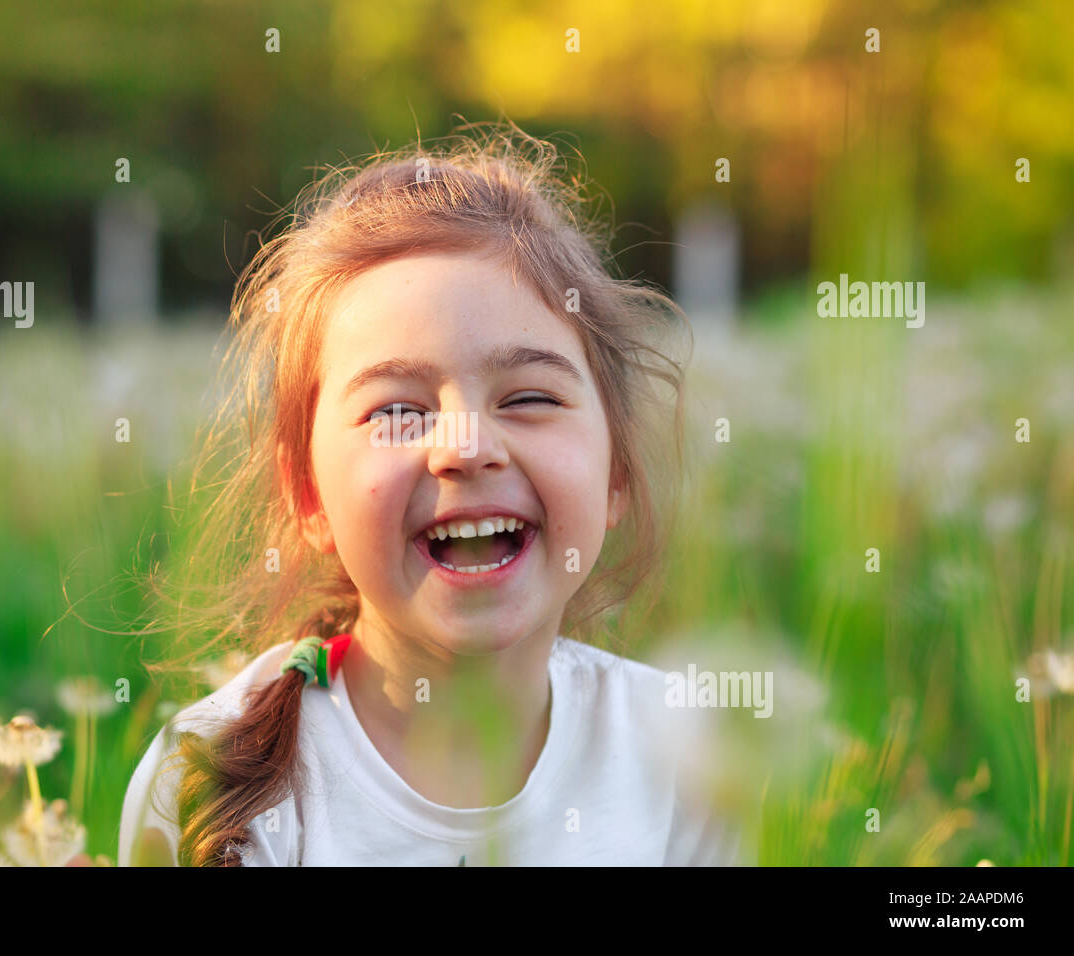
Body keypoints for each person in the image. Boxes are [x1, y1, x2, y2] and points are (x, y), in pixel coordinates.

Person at [118, 119, 741, 866]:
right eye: (396, 411)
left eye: (530, 398)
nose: (466, 448)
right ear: (307, 493)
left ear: (615, 474)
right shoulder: (208, 778)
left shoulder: (689, 756)